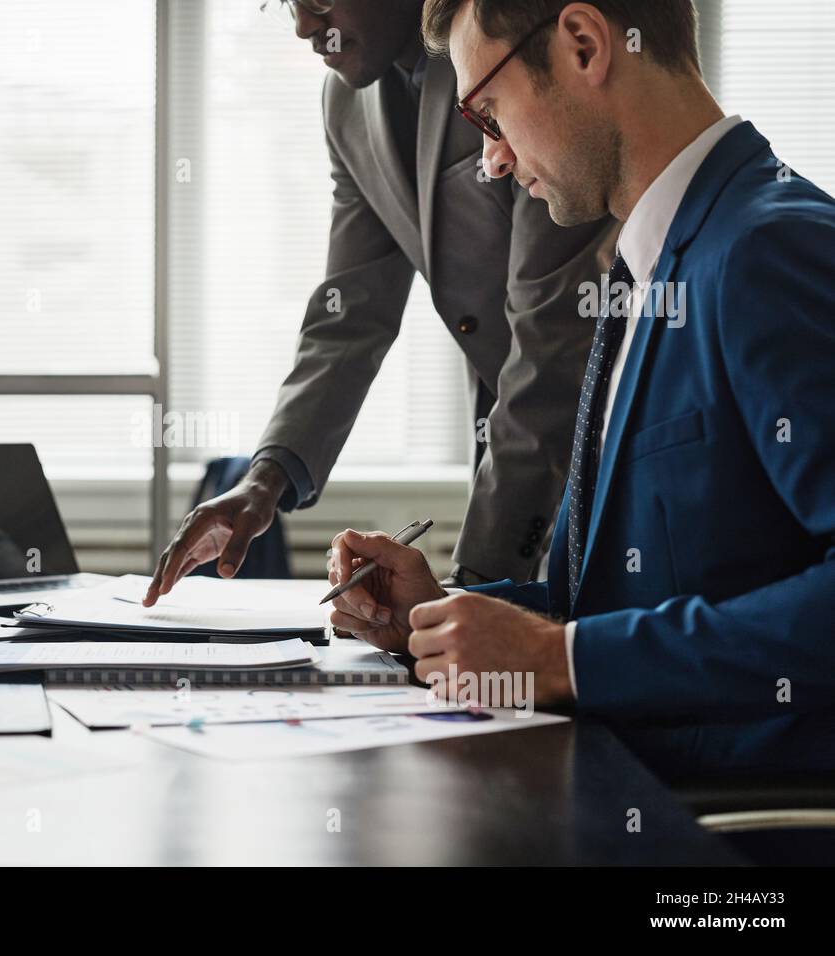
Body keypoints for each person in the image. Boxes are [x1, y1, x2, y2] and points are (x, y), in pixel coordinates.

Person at [327, 0, 835, 774]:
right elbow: (612, 607)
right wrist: (443, 621)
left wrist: (564, 660)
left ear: (585, 45)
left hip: (730, 841)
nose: (490, 159)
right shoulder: (639, 276)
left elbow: (582, 648)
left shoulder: (770, 249)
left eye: (488, 113)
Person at [143, 0, 614, 606]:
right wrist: (266, 478)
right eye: (285, 4)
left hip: (606, 431)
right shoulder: (345, 104)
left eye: (317, 0)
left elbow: (552, 344)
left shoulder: (510, 57)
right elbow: (350, 311)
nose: (304, 26)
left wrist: (472, 590)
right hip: (508, 436)